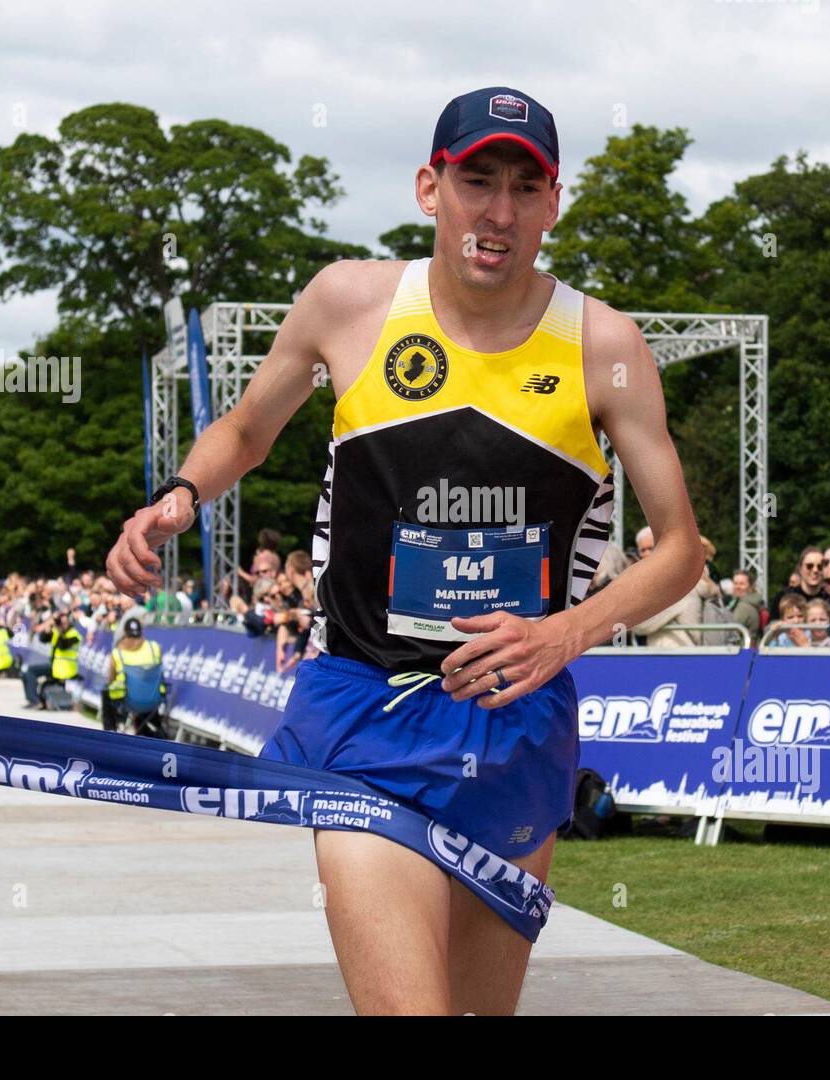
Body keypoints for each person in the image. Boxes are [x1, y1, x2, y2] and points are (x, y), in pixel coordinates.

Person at [105, 86, 703, 1017]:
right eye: (476, 180)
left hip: (511, 715)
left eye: (522, 186)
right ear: (432, 186)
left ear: (553, 205)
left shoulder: (604, 345)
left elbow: (682, 549)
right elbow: (248, 430)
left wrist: (567, 634)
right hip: (362, 710)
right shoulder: (349, 302)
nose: (497, 211)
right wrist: (180, 497)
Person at [101, 617, 166, 734]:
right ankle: (153, 729)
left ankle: (110, 731)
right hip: (154, 698)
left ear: (125, 633)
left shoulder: (117, 652)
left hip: (128, 699)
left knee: (106, 691)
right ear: (141, 632)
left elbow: (111, 678)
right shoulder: (154, 647)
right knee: (146, 688)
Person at [22, 609, 82, 709]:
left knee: (30, 671)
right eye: (61, 622)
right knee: (25, 673)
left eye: (64, 623)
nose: (62, 625)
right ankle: (34, 700)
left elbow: (62, 645)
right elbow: (43, 639)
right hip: (56, 666)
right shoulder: (57, 630)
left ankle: (35, 701)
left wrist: (58, 631)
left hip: (65, 669)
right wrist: (48, 627)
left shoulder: (74, 634)